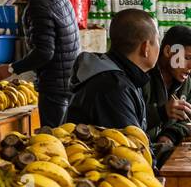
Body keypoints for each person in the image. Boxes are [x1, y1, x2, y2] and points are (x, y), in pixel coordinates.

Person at [0, 0, 80, 129]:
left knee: (52, 138)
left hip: (54, 87)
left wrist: (10, 69)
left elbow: (44, 52)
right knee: (66, 134)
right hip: (70, 78)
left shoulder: (37, 7)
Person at [67, 9, 160, 153]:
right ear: (146, 48)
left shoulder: (124, 77)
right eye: (157, 41)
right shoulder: (113, 88)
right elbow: (129, 151)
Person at [147, 25, 191, 157]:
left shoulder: (186, 82)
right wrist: (161, 112)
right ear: (168, 51)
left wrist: (170, 135)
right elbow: (130, 119)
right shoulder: (144, 76)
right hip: (139, 154)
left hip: (166, 154)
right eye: (187, 58)